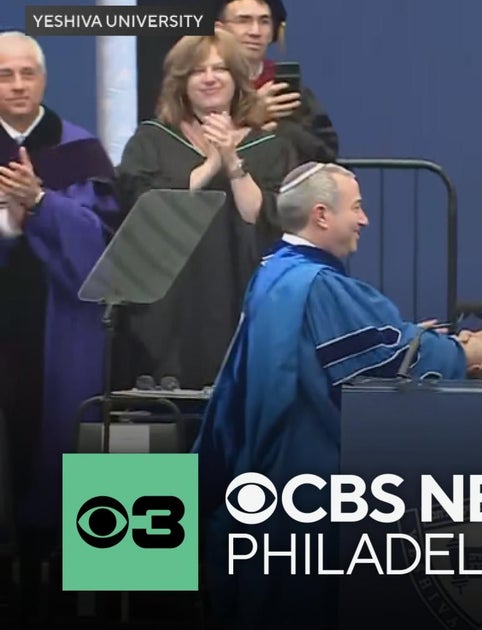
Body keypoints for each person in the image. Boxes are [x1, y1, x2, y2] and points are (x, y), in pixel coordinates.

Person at [192, 162, 482, 630]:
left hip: (270, 469)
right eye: (356, 207)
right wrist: (460, 352)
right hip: (309, 474)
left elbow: (356, 341)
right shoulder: (319, 285)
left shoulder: (273, 271)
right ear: (321, 215)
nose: (365, 219)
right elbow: (383, 361)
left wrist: (409, 334)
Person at [0, 30, 122, 603]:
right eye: (5, 75)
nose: (18, 85)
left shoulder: (78, 149)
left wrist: (42, 203)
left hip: (58, 320)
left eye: (28, 73)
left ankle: (74, 571)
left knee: (56, 432)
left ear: (44, 79)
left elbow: (98, 241)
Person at [115, 30, 296, 390]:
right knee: (158, 427)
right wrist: (210, 164)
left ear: (237, 79)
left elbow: (265, 217)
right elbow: (146, 207)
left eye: (220, 69)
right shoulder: (151, 140)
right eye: (198, 71)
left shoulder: (271, 147)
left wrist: (232, 162)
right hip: (168, 304)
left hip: (238, 291)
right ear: (181, 82)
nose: (210, 78)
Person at [214, 0, 339, 162]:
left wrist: (278, 131)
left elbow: (326, 153)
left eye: (264, 21)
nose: (255, 31)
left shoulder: (287, 91)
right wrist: (247, 119)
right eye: (243, 20)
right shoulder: (203, 84)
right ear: (219, 29)